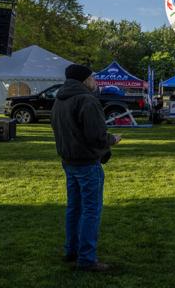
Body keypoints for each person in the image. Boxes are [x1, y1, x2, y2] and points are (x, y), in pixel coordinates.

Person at [51, 64, 121, 272]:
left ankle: (71, 250)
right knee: (91, 210)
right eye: (92, 78)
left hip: (69, 161)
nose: (95, 82)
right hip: (87, 163)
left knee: (74, 208)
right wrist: (112, 139)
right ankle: (87, 259)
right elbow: (96, 135)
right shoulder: (87, 100)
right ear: (84, 80)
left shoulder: (59, 100)